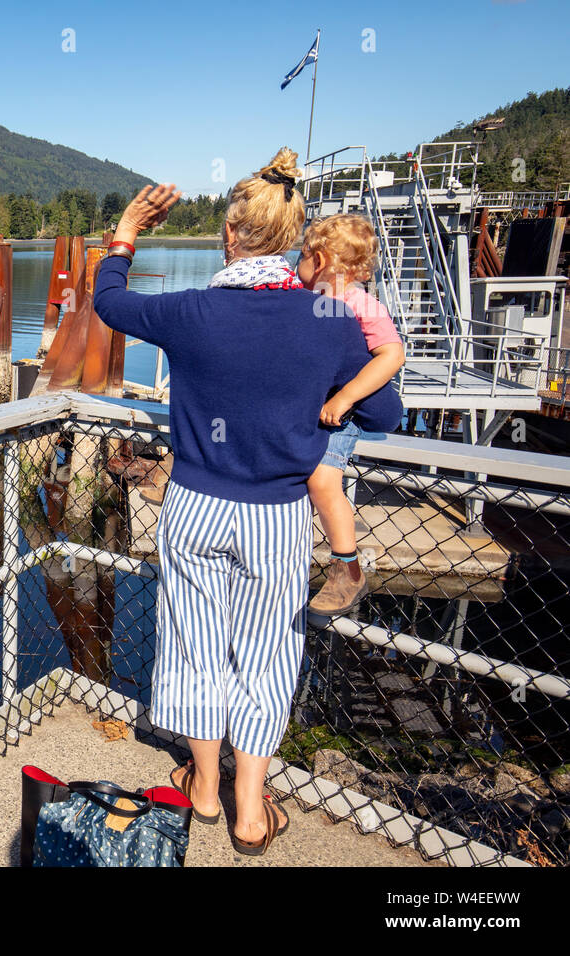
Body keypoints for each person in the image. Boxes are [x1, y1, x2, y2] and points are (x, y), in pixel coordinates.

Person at [93, 148, 403, 855]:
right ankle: (250, 810)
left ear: (229, 236)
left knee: (195, 647)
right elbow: (385, 413)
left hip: (195, 505)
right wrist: (327, 399)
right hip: (276, 514)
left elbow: (109, 303)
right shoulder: (328, 316)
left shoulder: (194, 311)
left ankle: (203, 789)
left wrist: (126, 231)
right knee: (266, 657)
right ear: (294, 240)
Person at [296, 214, 406, 615]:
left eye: (304, 255)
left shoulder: (361, 305)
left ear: (321, 260)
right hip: (315, 407)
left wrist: (344, 400)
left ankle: (347, 568)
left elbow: (391, 357)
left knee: (323, 480)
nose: (298, 262)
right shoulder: (307, 299)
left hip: (345, 411)